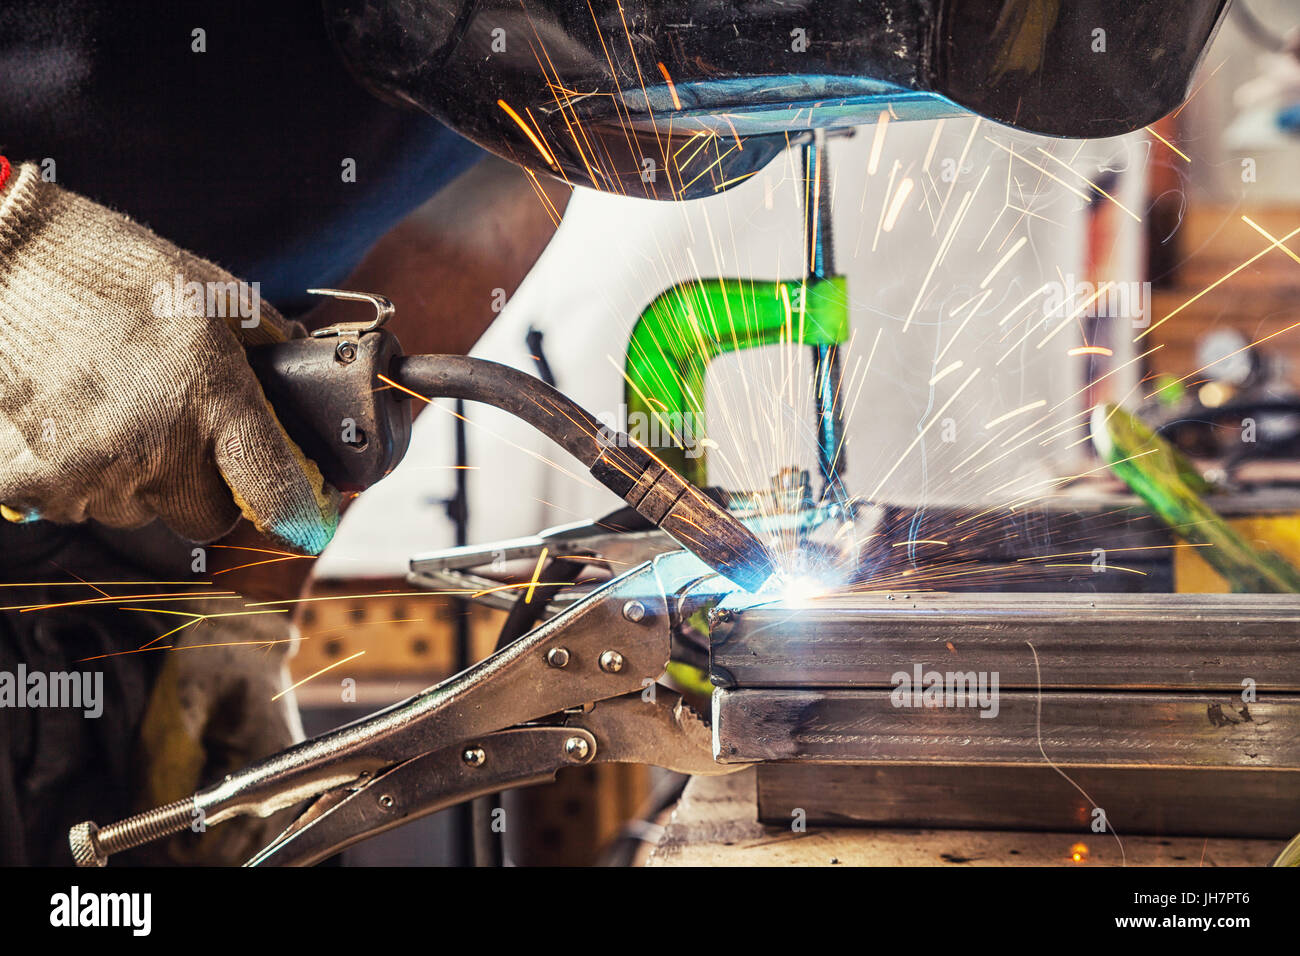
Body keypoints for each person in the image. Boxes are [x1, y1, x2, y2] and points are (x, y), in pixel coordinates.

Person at [0, 1, 566, 864]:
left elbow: (480, 209)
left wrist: (243, 598)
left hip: (144, 540)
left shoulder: (584, 49)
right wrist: (19, 270)